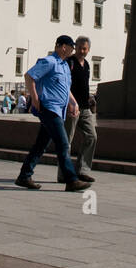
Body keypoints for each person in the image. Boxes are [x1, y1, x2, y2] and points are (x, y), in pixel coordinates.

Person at [15, 36, 84, 191]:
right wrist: (35, 98)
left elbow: (65, 88)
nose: (73, 50)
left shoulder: (65, 65)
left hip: (59, 110)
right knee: (63, 143)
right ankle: (71, 180)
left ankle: (24, 176)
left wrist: (73, 102)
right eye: (71, 47)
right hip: (48, 108)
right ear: (63, 47)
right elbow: (29, 76)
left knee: (41, 144)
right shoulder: (49, 62)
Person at [57, 35, 96, 184]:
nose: (82, 51)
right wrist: (70, 103)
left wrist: (90, 99)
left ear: (88, 50)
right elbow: (64, 85)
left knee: (92, 136)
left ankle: (82, 170)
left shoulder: (86, 64)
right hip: (71, 107)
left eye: (84, 48)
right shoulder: (69, 62)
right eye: (79, 47)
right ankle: (64, 174)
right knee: (67, 140)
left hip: (85, 108)